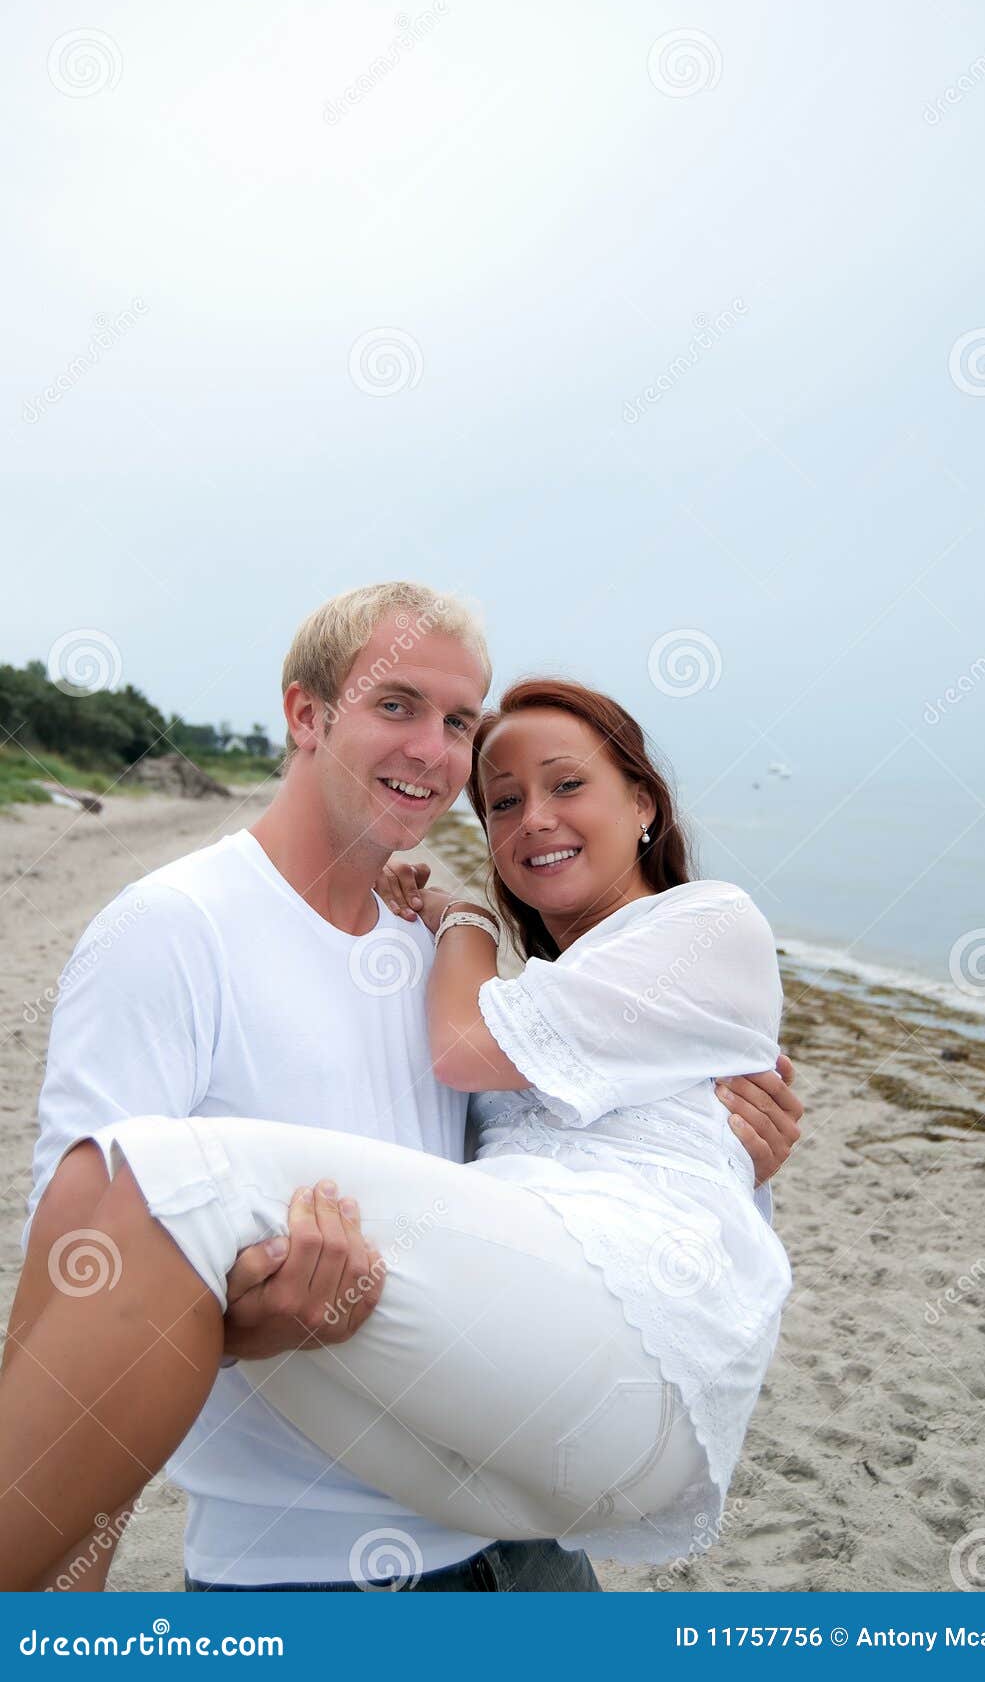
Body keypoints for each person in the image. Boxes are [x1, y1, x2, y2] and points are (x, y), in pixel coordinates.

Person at [0, 626, 800, 1592]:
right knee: (118, 1198)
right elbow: (86, 1275)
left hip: (618, 1391)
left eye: (565, 784)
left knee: (152, 1179)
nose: (533, 819)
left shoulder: (686, 925)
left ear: (643, 802)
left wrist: (461, 919)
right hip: (429, 1506)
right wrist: (229, 1324)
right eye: (502, 802)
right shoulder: (176, 925)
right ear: (306, 715)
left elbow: (471, 1056)